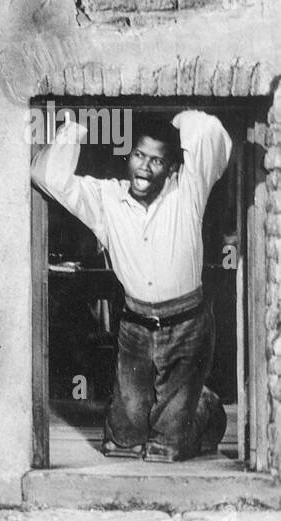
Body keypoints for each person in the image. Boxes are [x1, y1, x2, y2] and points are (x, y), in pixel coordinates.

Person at [31, 110, 231, 462]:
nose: (144, 167)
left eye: (157, 160)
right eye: (139, 155)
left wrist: (182, 116)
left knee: (164, 449)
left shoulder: (188, 191)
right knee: (122, 444)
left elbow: (212, 136)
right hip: (136, 328)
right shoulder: (107, 199)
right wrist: (75, 127)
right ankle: (184, 404)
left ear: (171, 168)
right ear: (129, 156)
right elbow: (46, 175)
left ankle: (205, 409)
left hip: (188, 326)